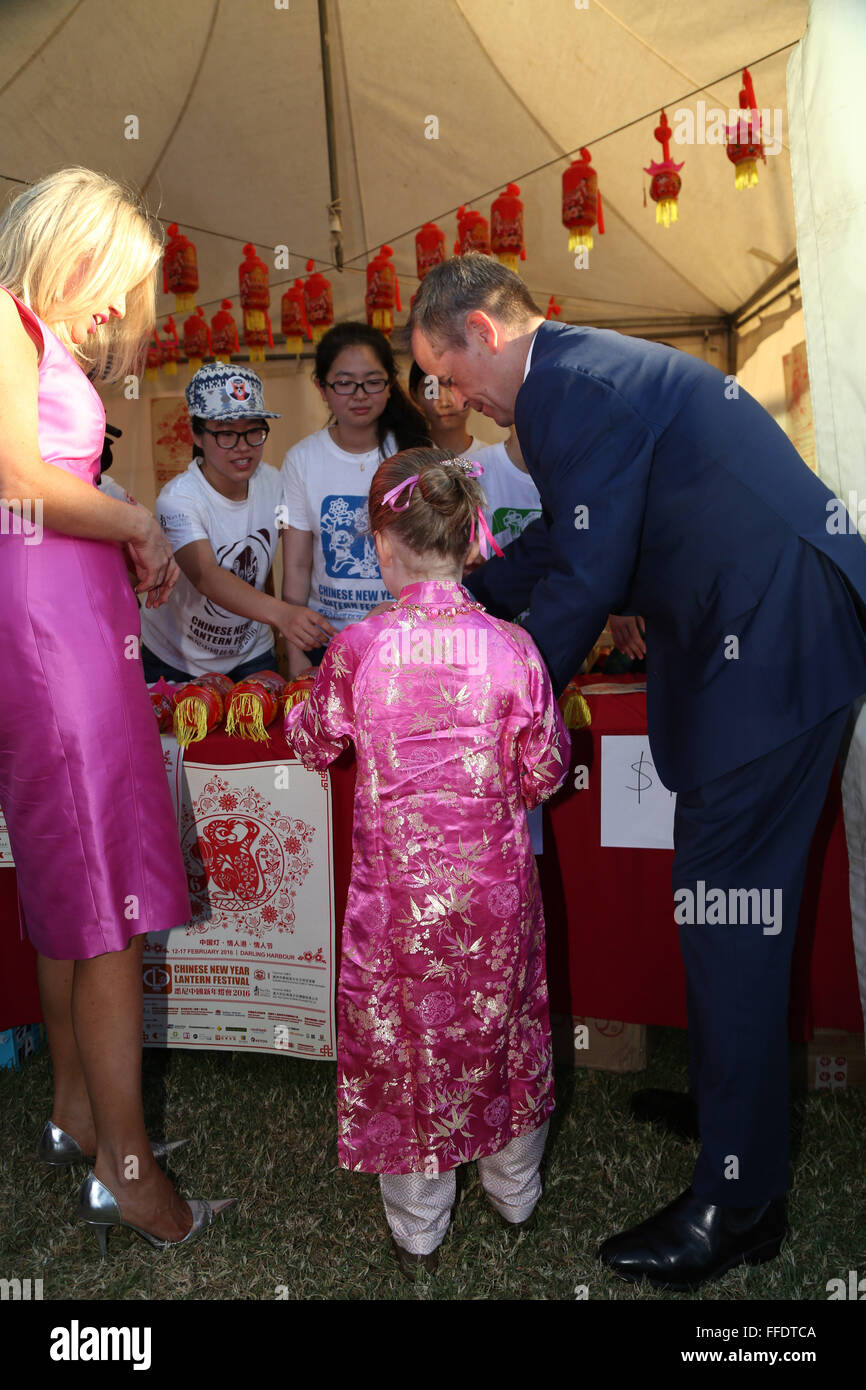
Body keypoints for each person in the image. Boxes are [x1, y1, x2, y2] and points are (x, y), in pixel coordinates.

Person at [409, 252, 866, 1290]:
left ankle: (738, 1199)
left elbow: (586, 576)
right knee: (721, 906)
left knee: (729, 910)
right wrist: (457, 595)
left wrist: (506, 713)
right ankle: (728, 1110)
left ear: (483, 329)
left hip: (773, 645)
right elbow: (567, 548)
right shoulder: (575, 376)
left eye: (449, 374)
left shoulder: (565, 389)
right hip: (762, 637)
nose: (459, 405)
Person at [0, 168, 233, 1254]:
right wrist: (137, 520)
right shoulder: (2, 315)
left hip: (67, 612)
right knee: (103, 897)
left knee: (69, 875)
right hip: (46, 619)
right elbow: (14, 478)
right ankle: (129, 1172)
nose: (113, 317)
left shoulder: (30, 330)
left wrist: (120, 534)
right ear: (72, 242)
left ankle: (80, 1112)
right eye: (113, 288)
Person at [284, 447, 570, 1279]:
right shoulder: (515, 649)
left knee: (405, 1043)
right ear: (467, 536)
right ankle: (514, 1190)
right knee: (505, 1028)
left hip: (397, 906)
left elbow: (311, 744)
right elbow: (546, 771)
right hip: (495, 896)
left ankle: (420, 1225)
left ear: (383, 544)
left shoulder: (360, 650)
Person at [139, 363, 333, 683]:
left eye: (254, 431)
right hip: (174, 658)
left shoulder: (273, 483)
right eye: (227, 433)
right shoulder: (177, 500)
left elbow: (292, 547)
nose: (243, 446)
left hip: (251, 653)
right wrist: (283, 615)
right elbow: (206, 576)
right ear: (197, 435)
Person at [281, 322, 429, 678]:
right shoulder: (301, 460)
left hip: (403, 641)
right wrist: (296, 653)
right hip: (325, 640)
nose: (359, 394)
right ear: (322, 388)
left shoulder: (415, 454)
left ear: (390, 385)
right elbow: (297, 566)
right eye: (345, 383)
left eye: (372, 381)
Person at [408, 358, 484, 456]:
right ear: (414, 395)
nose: (445, 403)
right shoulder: (408, 462)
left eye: (455, 388)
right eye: (431, 391)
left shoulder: (493, 459)